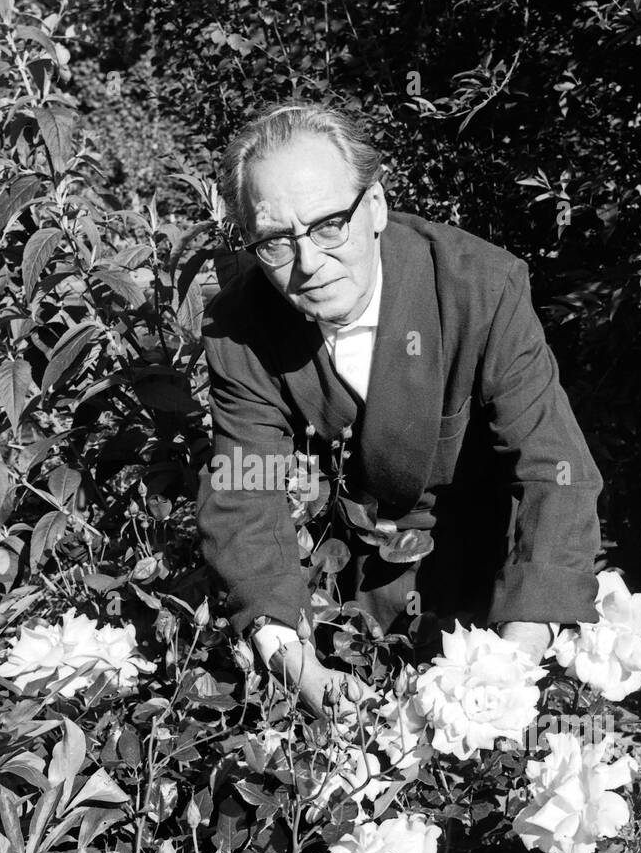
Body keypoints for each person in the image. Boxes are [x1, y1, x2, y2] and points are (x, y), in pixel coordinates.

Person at [197, 101, 603, 716]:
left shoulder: (480, 289)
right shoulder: (239, 327)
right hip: (334, 599)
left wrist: (511, 664)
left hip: (483, 586)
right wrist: (296, 662)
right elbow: (244, 488)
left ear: (377, 206)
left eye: (330, 224)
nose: (308, 263)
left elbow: (553, 470)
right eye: (277, 242)